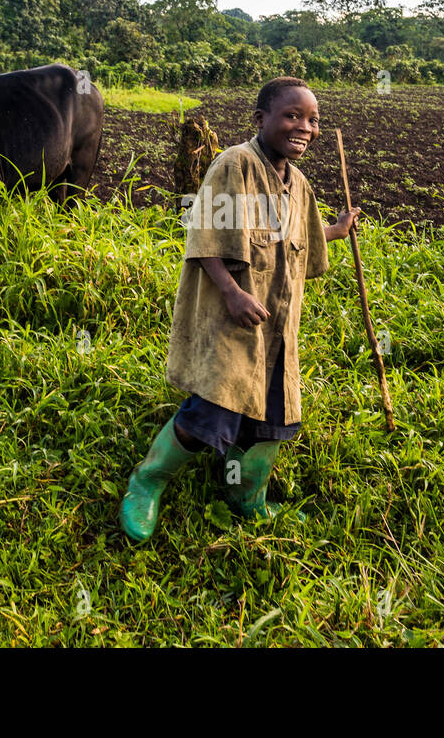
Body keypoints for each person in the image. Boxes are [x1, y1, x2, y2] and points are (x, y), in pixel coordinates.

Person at [119, 76, 360, 541]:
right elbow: (205, 235)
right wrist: (232, 292)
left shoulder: (298, 183)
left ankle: (246, 497)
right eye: (292, 116)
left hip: (277, 322)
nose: (304, 128)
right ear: (261, 119)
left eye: (312, 120)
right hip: (231, 316)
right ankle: (147, 481)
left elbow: (303, 239)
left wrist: (338, 228)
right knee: (211, 409)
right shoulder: (236, 165)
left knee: (273, 417)